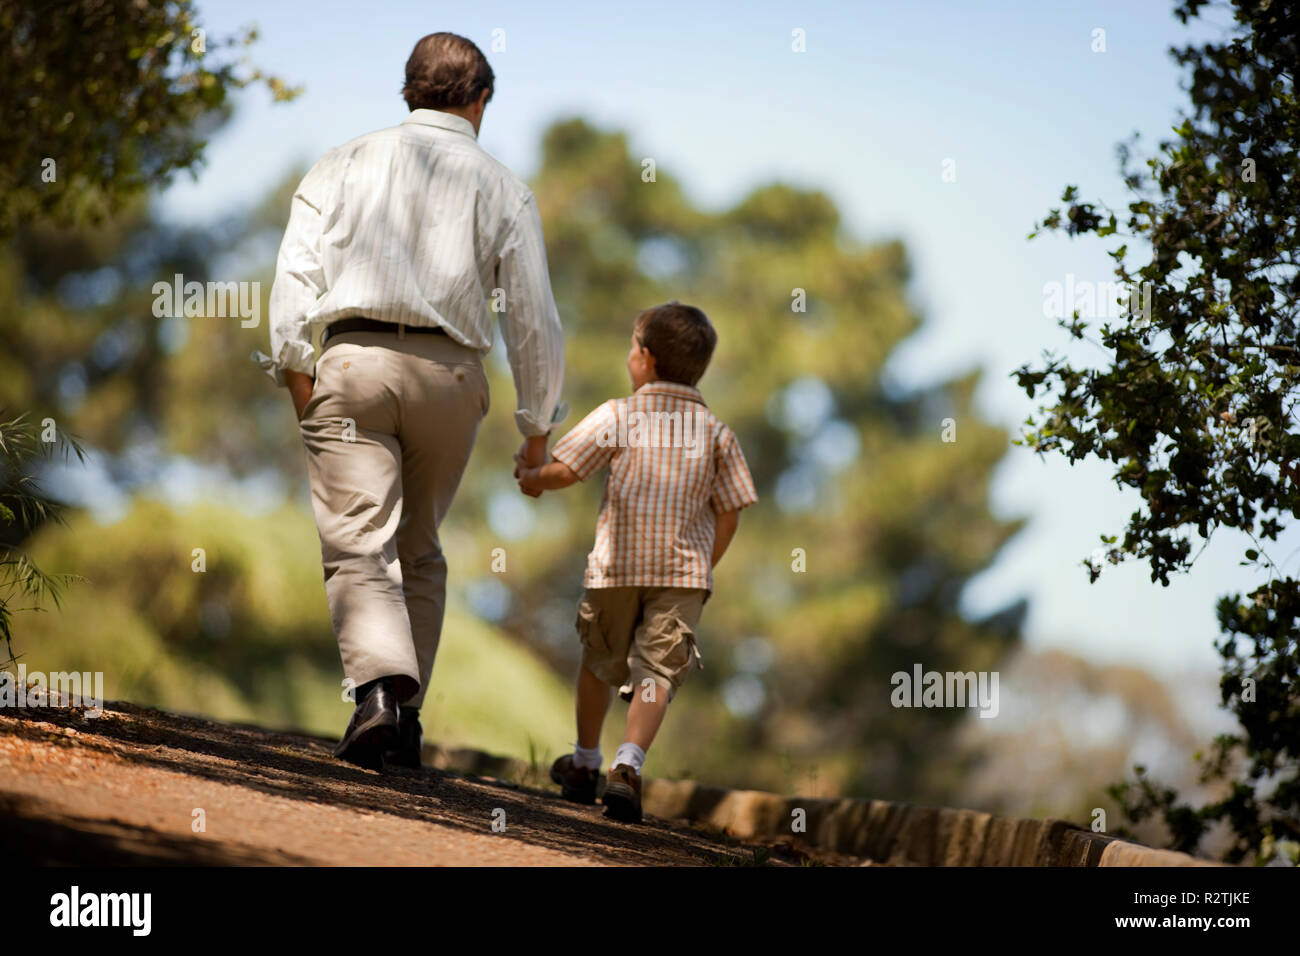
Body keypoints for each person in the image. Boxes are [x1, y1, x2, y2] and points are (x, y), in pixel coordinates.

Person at [256, 32, 565, 771]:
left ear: (406, 93)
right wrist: (535, 430)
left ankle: (380, 699)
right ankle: (406, 719)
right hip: (451, 378)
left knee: (358, 541)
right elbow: (532, 319)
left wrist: (304, 382)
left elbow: (294, 277)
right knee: (419, 548)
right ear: (481, 99)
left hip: (354, 361)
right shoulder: (505, 189)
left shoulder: (340, 163)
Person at [514, 302, 758, 822]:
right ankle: (628, 765)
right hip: (682, 575)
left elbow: (566, 472)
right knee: (657, 673)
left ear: (645, 359)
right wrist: (700, 568)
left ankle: (583, 761)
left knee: (599, 661)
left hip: (616, 569)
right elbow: (730, 515)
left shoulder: (620, 414)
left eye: (631, 345)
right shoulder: (717, 433)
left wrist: (532, 478)